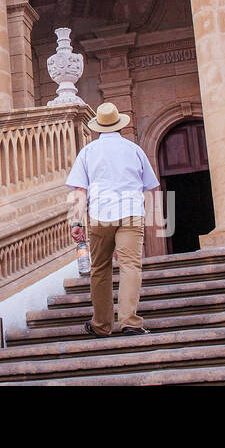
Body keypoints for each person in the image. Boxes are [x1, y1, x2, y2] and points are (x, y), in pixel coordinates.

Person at [67, 102, 161, 337]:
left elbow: (80, 190)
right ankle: (129, 321)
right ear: (119, 126)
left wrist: (76, 222)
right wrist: (150, 216)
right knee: (130, 266)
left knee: (100, 269)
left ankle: (101, 325)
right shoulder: (134, 149)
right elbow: (149, 186)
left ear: (98, 127)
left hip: (100, 214)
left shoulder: (88, 151)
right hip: (130, 212)